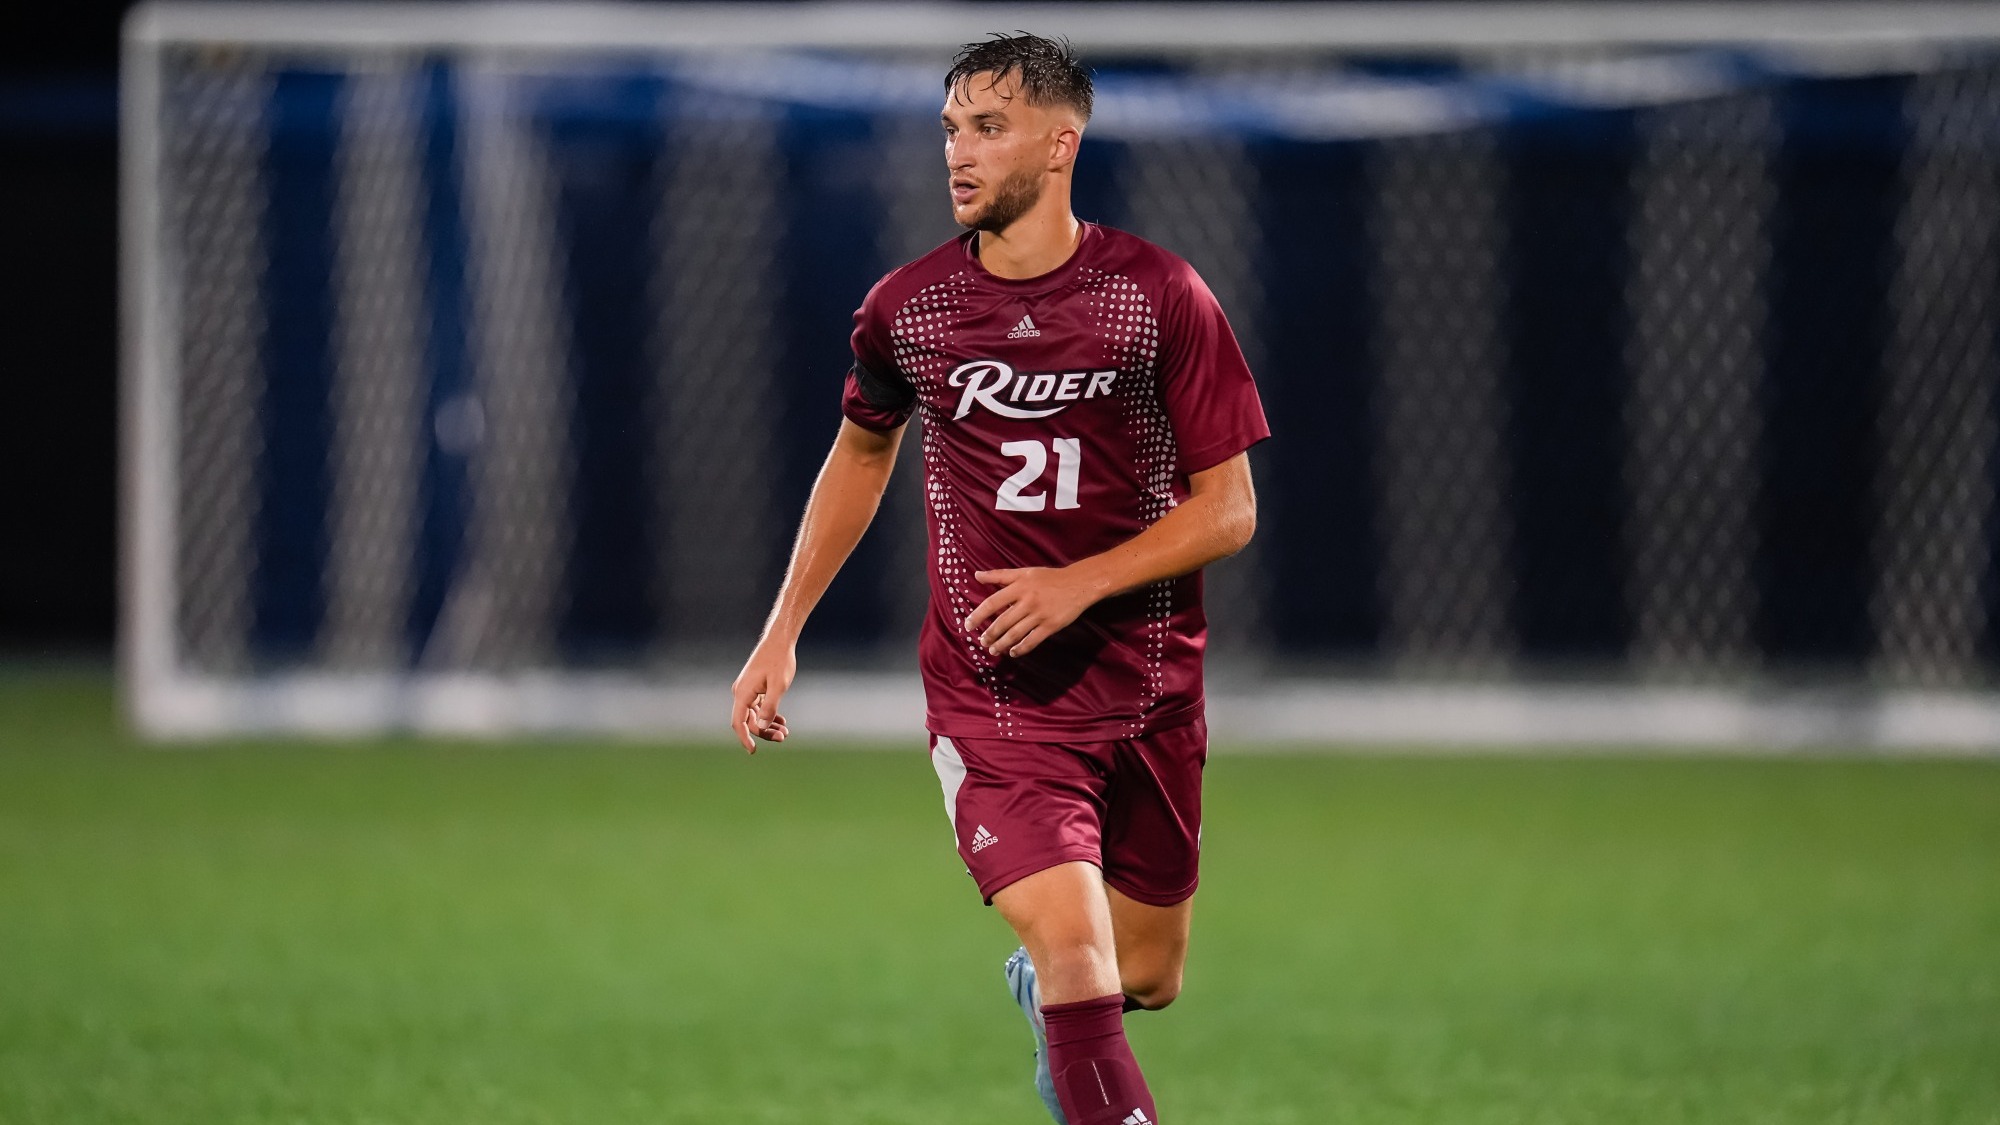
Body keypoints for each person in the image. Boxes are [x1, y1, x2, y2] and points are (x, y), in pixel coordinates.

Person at [729, 32, 1268, 1125]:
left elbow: (1229, 509)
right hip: (998, 698)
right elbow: (861, 451)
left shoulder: (1159, 296)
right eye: (950, 131)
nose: (959, 154)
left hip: (1148, 687)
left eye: (988, 128)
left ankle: (1053, 1001)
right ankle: (1064, 1000)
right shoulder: (909, 309)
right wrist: (781, 630)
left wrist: (1080, 582)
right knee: (1077, 953)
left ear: (1060, 144)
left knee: (1144, 972)